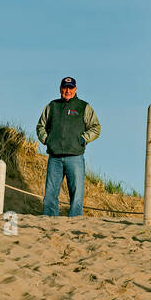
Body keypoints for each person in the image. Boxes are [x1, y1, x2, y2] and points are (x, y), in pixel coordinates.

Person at [35, 77, 100, 217]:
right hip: (55, 157)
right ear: (60, 88)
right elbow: (40, 126)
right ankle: (49, 220)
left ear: (75, 89)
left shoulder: (84, 107)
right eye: (65, 87)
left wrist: (82, 140)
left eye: (70, 88)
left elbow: (95, 128)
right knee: (50, 192)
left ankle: (75, 221)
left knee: (76, 193)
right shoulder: (52, 106)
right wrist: (47, 140)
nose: (67, 90)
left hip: (75, 157)